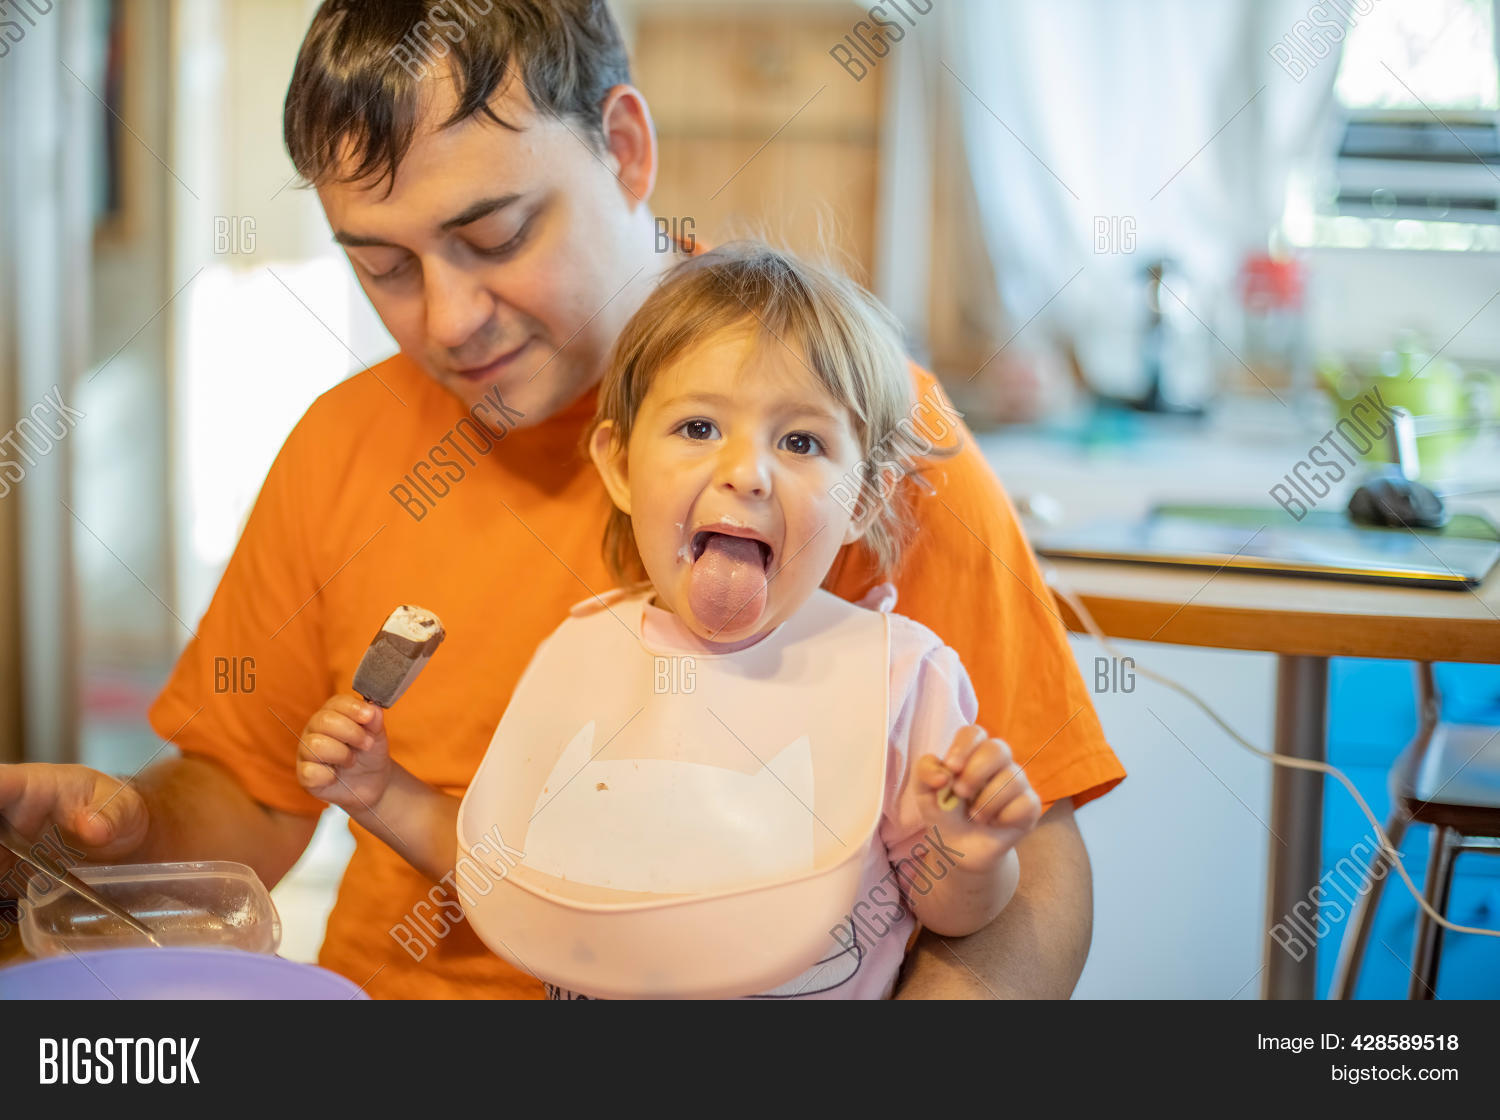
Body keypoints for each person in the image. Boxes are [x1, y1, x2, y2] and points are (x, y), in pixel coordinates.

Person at [0, 0, 1123, 999]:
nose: (444, 321)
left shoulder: (845, 437)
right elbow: (247, 791)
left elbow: (1037, 869)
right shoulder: (343, 444)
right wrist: (114, 834)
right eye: (383, 267)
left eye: (494, 237)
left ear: (626, 150)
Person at [295, 242, 1045, 999]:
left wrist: (970, 853)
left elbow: (949, 913)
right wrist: (380, 790)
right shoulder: (583, 652)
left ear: (864, 500)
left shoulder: (899, 679)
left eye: (801, 442)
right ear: (619, 466)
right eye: (697, 429)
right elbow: (506, 868)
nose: (746, 472)